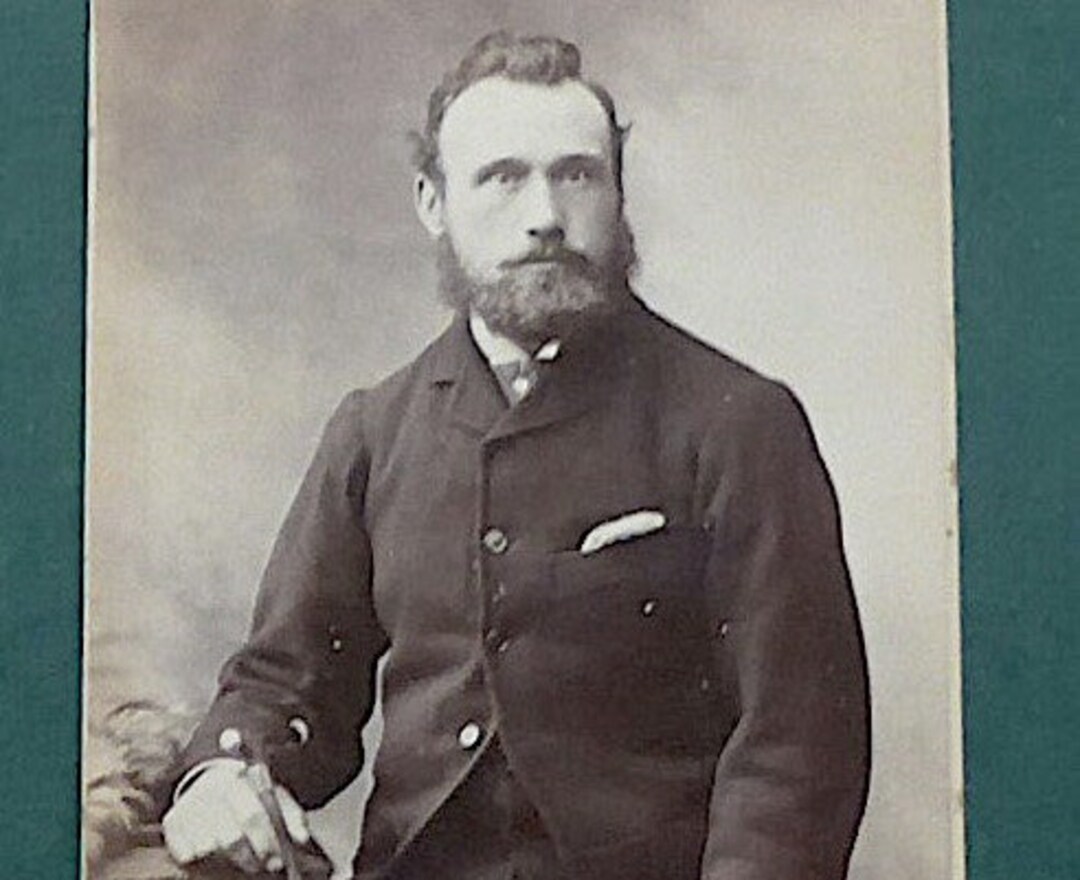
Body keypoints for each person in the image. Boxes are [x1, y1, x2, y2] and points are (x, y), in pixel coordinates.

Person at [161, 31, 870, 880]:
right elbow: (290, 677)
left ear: (617, 191)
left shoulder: (736, 422)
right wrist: (224, 776)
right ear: (432, 202)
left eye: (577, 173)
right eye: (502, 177)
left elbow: (797, 746)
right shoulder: (375, 431)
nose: (545, 214)